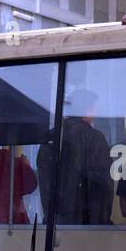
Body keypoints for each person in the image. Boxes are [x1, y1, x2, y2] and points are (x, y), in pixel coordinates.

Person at [37, 89, 113, 225]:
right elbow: (104, 184)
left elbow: (45, 183)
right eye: (94, 109)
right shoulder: (95, 138)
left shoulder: (51, 137)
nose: (95, 115)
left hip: (55, 222)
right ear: (86, 111)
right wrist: (104, 218)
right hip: (88, 222)